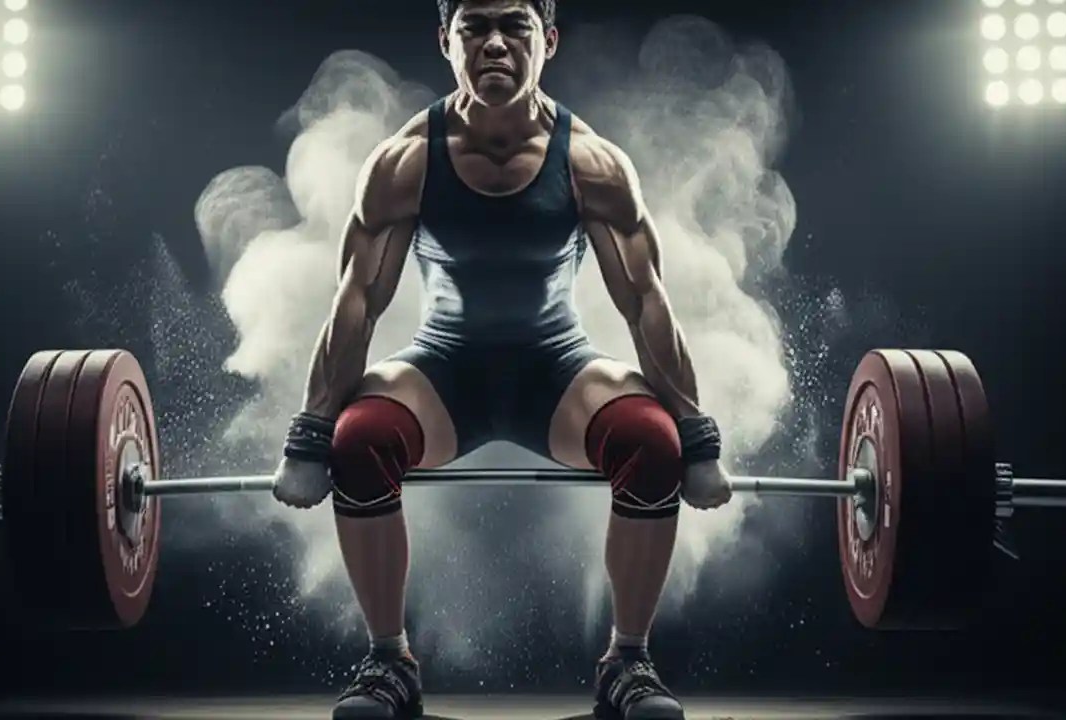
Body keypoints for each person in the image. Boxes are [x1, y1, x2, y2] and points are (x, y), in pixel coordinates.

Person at [272, 1, 732, 718]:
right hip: (444, 371)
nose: (493, 44)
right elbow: (357, 299)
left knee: (653, 441)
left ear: (547, 41)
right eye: (474, 28)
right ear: (445, 42)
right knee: (356, 440)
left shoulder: (593, 164)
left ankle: (629, 664)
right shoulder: (403, 162)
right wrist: (309, 437)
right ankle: (389, 664)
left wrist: (697, 439)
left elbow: (644, 301)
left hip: (557, 371)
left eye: (513, 27)